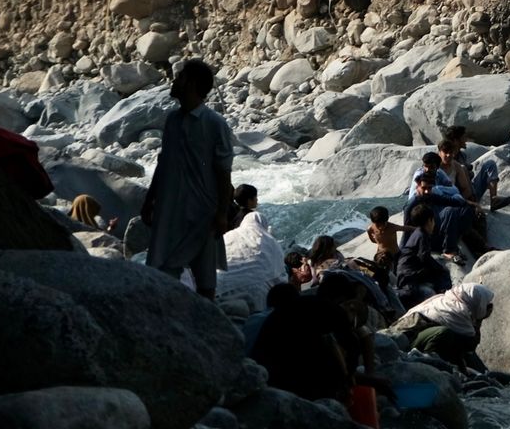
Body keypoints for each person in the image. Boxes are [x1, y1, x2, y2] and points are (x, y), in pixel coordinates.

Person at [142, 59, 235, 299]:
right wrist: (150, 199)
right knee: (161, 272)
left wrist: (222, 214)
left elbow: (224, 172)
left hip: (202, 213)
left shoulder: (215, 124)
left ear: (192, 83)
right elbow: (164, 163)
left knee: (205, 282)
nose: (175, 81)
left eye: (180, 76)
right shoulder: (172, 120)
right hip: (170, 210)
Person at [253, 273, 373, 403]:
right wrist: (350, 379)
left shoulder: (307, 306)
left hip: (262, 371)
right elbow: (352, 347)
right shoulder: (334, 312)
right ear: (344, 302)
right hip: (282, 380)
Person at [404, 283, 494, 374]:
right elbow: (470, 344)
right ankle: (430, 364)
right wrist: (480, 319)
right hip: (408, 343)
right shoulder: (458, 311)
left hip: (417, 337)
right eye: (486, 304)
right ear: (477, 301)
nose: (489, 307)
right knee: (445, 334)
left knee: (460, 345)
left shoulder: (448, 300)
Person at [393, 203, 452, 308]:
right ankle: (446, 297)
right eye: (433, 220)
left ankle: (441, 293)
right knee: (443, 273)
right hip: (408, 273)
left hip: (408, 270)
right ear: (429, 221)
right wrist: (439, 268)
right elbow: (424, 257)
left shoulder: (418, 232)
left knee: (437, 274)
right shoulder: (422, 235)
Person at [367, 206, 410, 282]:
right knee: (382, 276)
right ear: (373, 222)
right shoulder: (371, 228)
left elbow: (406, 228)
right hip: (381, 257)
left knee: (398, 275)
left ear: (387, 220)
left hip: (395, 256)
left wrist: (419, 229)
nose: (380, 227)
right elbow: (372, 239)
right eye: (378, 225)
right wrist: (379, 243)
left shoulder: (392, 227)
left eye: (383, 224)